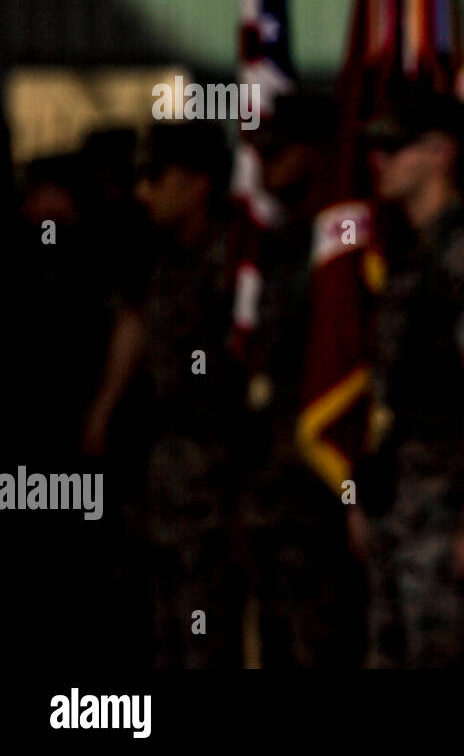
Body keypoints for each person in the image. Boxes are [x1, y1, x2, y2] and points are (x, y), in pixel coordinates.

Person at [84, 120, 244, 667]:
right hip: (165, 471)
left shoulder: (234, 261)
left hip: (221, 476)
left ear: (197, 182)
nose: (143, 192)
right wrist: (104, 411)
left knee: (209, 630)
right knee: (165, 630)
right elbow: (136, 323)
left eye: (157, 177)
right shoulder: (157, 257)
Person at [357, 85, 464, 667]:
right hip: (403, 492)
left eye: (394, 149)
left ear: (440, 153)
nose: (379, 162)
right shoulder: (414, 255)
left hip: (446, 500)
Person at [240, 93, 370, 667]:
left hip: (320, 476)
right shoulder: (280, 241)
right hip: (274, 470)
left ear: (316, 155)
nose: (265, 167)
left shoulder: (340, 245)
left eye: (278, 153)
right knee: (275, 633)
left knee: (322, 634)